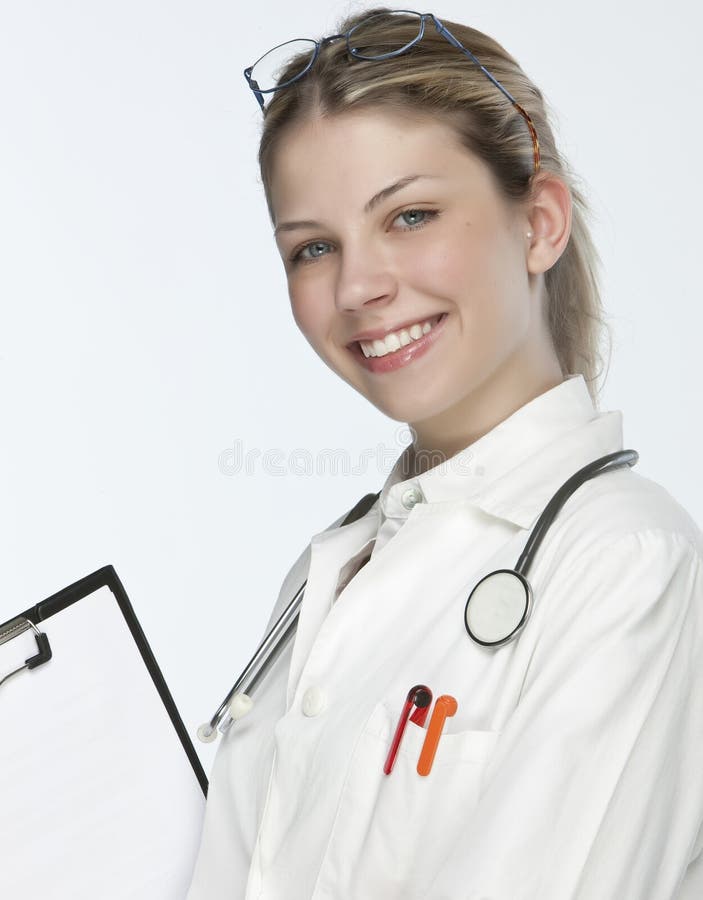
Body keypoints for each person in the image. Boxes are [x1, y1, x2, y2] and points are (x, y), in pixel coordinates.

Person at [187, 7, 703, 898]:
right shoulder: (329, 574)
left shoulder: (624, 561)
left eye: (410, 214)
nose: (357, 287)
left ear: (539, 223)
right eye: (313, 247)